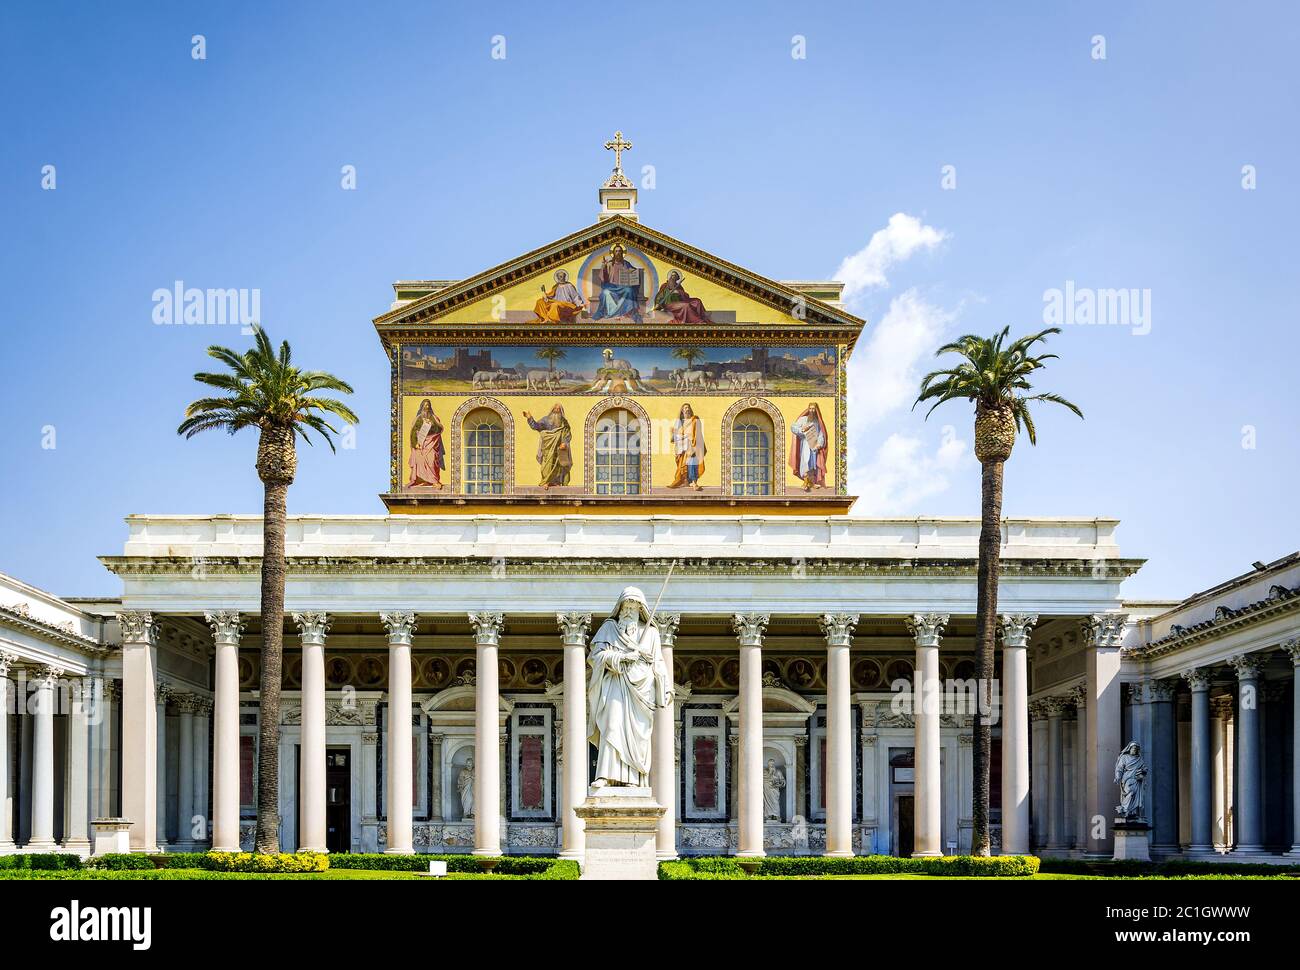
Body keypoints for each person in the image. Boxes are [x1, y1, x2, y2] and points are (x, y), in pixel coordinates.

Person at [587, 587, 670, 788]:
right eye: (626, 606)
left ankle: (633, 779)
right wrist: (622, 657)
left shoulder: (650, 633)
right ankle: (605, 776)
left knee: (638, 734)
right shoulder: (609, 629)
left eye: (634, 607)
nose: (629, 611)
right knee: (612, 726)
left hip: (641, 691)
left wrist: (666, 687)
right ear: (620, 608)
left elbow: (658, 662)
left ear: (641, 609)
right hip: (616, 685)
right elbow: (595, 656)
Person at [523, 403, 572, 488]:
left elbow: (567, 433)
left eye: (558, 409)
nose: (557, 410)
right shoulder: (545, 420)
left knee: (559, 465)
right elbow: (536, 426)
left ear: (561, 411)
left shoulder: (564, 422)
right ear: (552, 410)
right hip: (548, 447)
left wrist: (564, 442)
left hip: (559, 448)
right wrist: (529, 418)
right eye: (555, 409)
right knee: (546, 465)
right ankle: (546, 481)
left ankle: (556, 482)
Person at [590, 244, 642, 322]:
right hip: (611, 287)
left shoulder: (626, 264)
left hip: (623, 287)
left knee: (629, 290)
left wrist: (633, 273)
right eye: (616, 251)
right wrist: (604, 267)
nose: (618, 253)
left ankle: (630, 312)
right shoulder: (609, 264)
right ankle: (606, 313)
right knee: (605, 293)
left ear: (622, 253)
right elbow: (603, 278)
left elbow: (634, 271)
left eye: (620, 251)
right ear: (613, 253)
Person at [788, 402, 828, 490]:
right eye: (810, 408)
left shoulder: (818, 422)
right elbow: (793, 427)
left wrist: (819, 444)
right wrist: (802, 429)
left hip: (814, 446)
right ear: (808, 409)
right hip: (805, 444)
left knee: (813, 464)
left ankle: (812, 483)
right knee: (805, 462)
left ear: (816, 410)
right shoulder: (803, 419)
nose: (812, 410)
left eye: (813, 409)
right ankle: (806, 482)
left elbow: (821, 435)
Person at [407, 399, 444, 488]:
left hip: (431, 443)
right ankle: (421, 480)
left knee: (432, 460)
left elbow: (439, 429)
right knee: (419, 460)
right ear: (422, 407)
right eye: (425, 405)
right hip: (420, 444)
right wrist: (415, 443)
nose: (426, 407)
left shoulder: (434, 418)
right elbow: (413, 432)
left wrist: (431, 425)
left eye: (428, 405)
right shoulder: (418, 418)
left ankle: (434, 481)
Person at [669, 403, 707, 490]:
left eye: (688, 408)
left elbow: (698, 433)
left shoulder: (695, 420)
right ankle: (686, 481)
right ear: (682, 411)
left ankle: (694, 482)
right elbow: (674, 438)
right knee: (684, 465)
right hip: (682, 447)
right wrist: (674, 433)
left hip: (692, 444)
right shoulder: (679, 422)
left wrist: (695, 445)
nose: (687, 409)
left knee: (692, 462)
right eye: (685, 408)